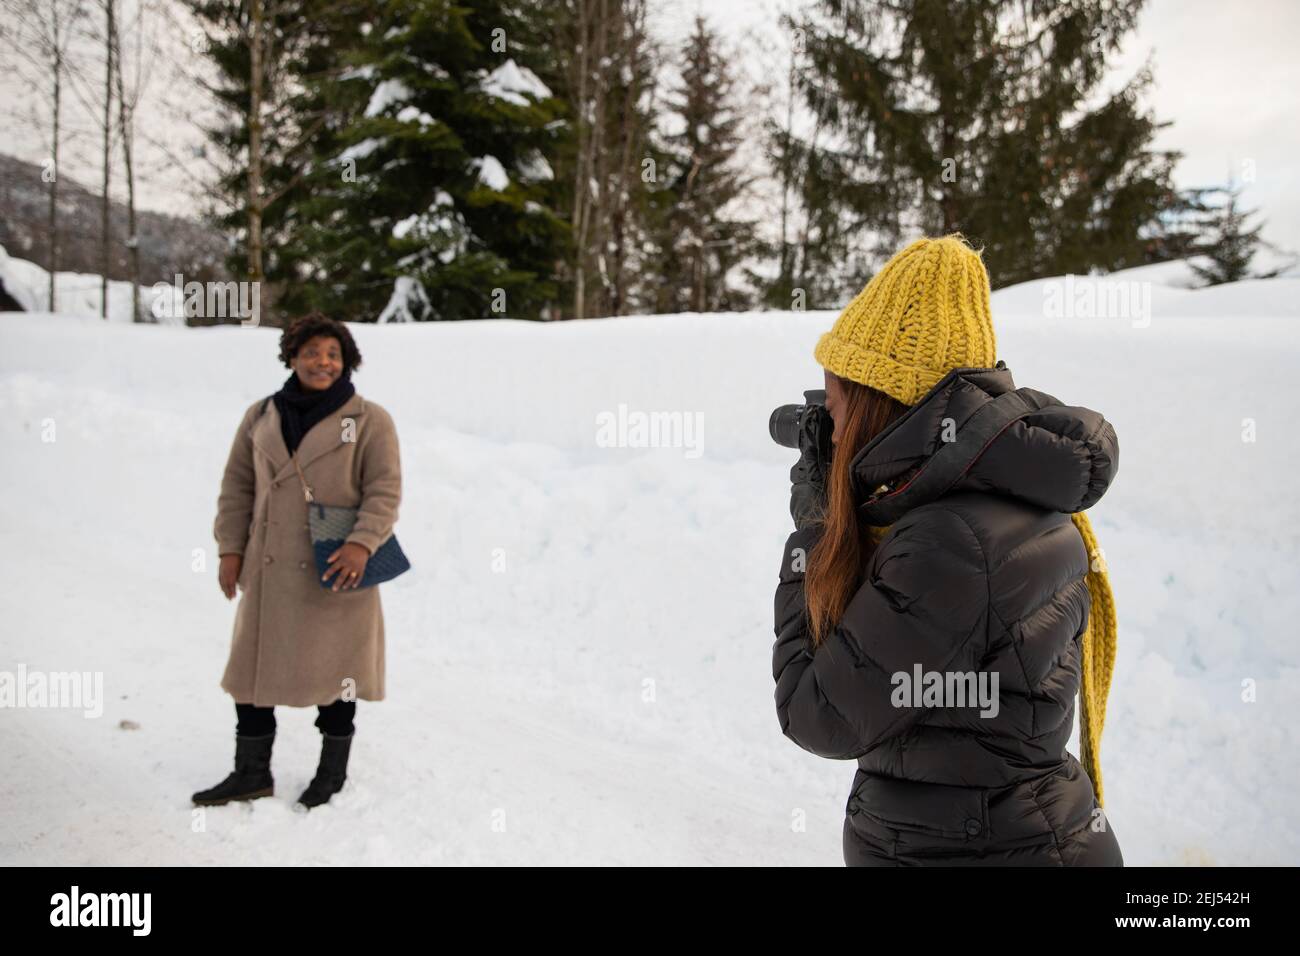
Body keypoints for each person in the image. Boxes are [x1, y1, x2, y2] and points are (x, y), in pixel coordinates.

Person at [772, 234, 1123, 865]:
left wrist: (817, 530)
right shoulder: (1003, 491)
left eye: (836, 395)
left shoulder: (947, 543)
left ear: (878, 401)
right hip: (1019, 833)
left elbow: (817, 713)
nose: (827, 411)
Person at [193, 312, 401, 810]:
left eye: (332, 354)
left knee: (337, 673)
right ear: (291, 357)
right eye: (311, 352)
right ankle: (251, 774)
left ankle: (330, 777)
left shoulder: (370, 420)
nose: (322, 362)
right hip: (268, 566)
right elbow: (237, 487)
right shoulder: (261, 415)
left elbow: (385, 491)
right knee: (253, 673)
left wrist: (361, 543)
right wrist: (229, 548)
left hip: (335, 567)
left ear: (347, 361)